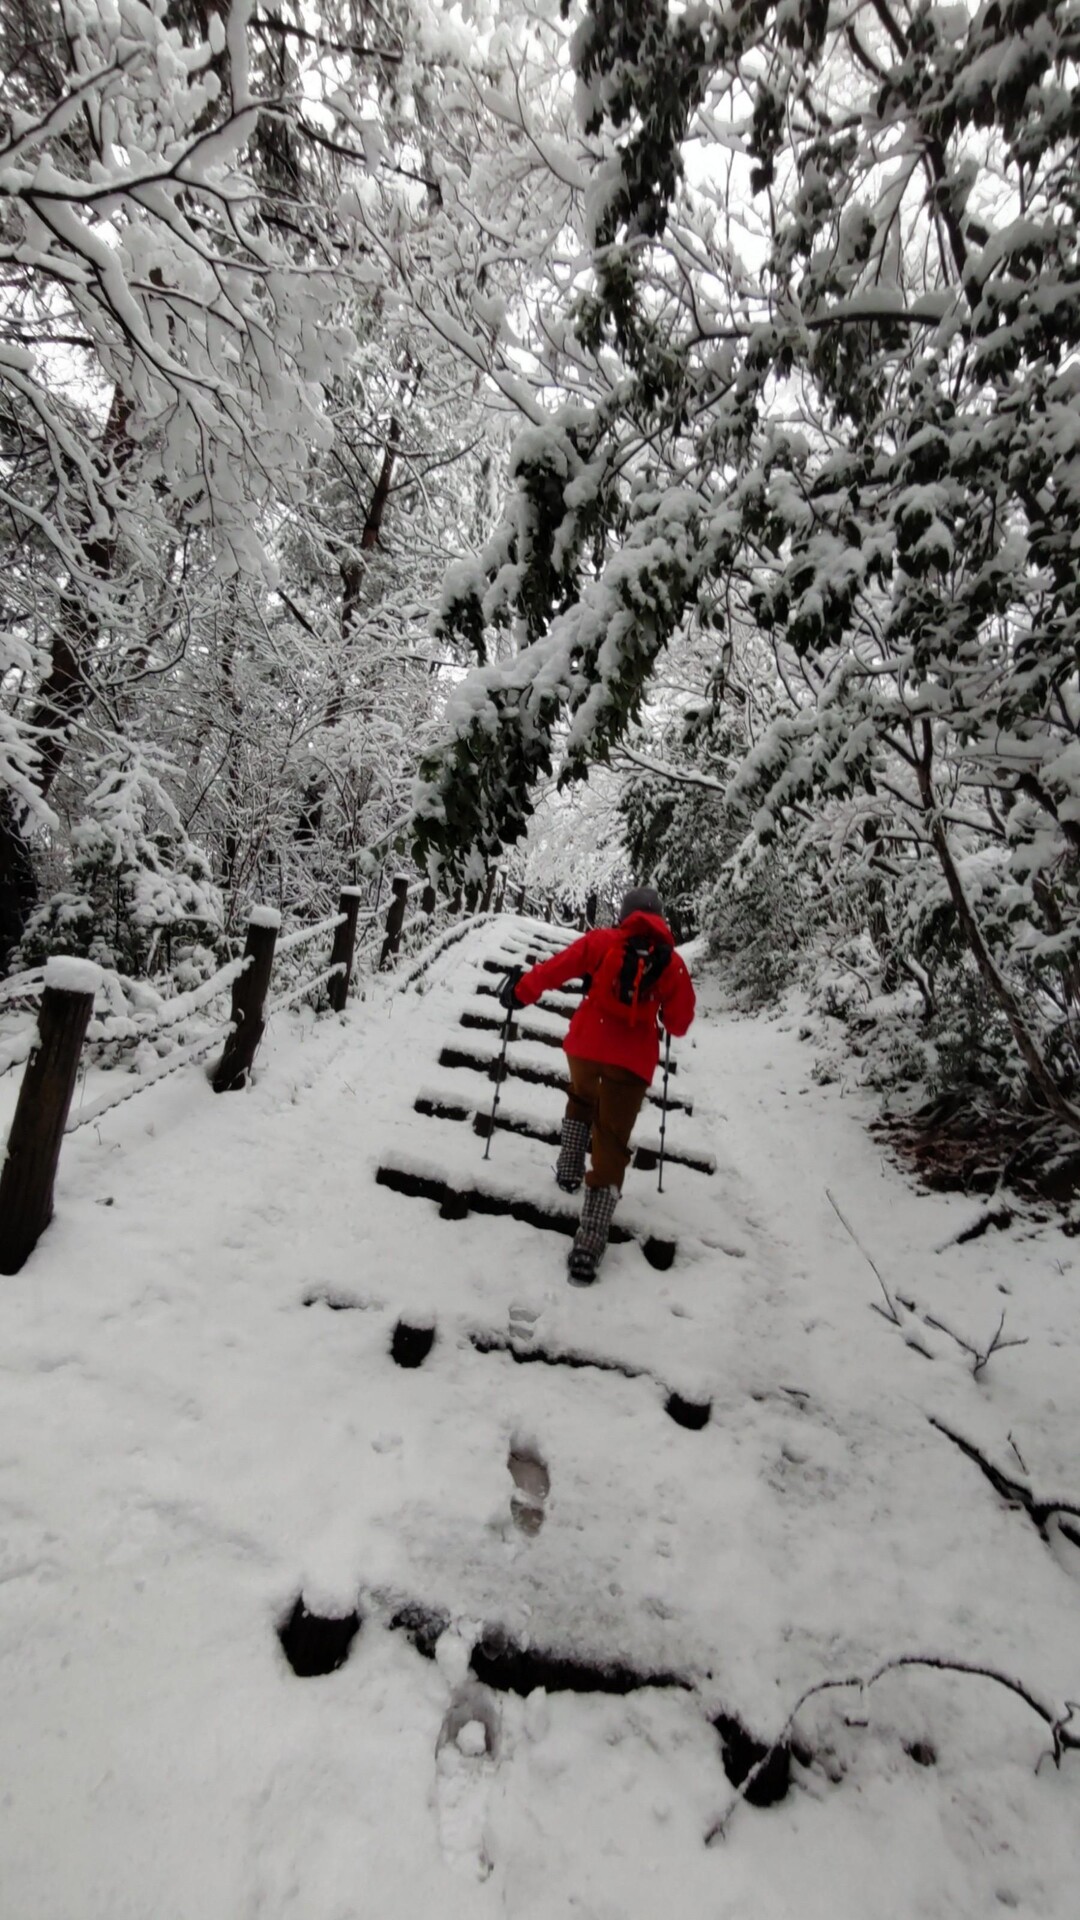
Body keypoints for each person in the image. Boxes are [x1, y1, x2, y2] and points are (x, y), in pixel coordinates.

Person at [500, 887, 696, 1283]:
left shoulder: (603, 941)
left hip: (587, 1043)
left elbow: (559, 967)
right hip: (632, 1060)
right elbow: (678, 1023)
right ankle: (589, 1240)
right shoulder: (672, 964)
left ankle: (570, 1166)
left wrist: (521, 992)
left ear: (625, 915)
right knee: (610, 1138)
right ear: (660, 918)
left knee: (581, 1095)